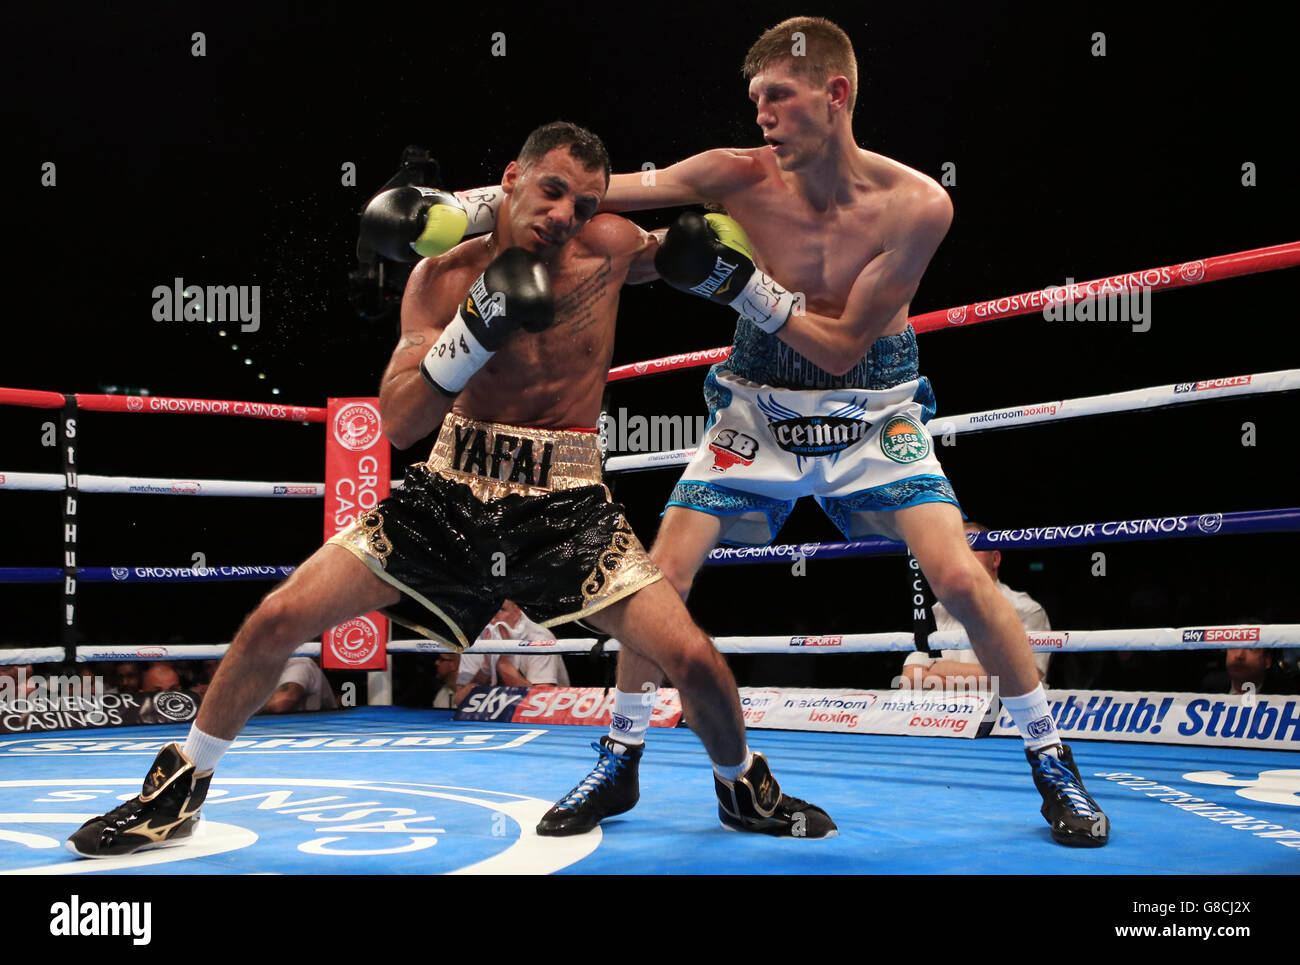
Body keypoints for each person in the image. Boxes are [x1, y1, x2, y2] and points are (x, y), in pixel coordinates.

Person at [66, 121, 832, 859]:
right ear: (511, 180)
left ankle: (741, 787)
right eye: (554, 191)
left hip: (568, 505)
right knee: (280, 614)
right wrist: (474, 330)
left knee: (692, 658)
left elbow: (700, 245)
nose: (566, 216)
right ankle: (179, 785)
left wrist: (726, 258)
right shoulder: (442, 278)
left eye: (586, 203)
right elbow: (399, 423)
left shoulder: (608, 248)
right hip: (450, 492)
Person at [527, 18, 1108, 846]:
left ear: (835, 95)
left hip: (872, 409)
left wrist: (742, 287)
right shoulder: (734, 175)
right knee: (657, 577)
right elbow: (600, 193)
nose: (760, 115)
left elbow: (841, 349)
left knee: (961, 577)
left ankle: (1053, 764)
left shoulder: (917, 206)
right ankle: (619, 758)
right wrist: (466, 209)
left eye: (778, 96)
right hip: (756, 407)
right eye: (754, 99)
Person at [900, 521, 1051, 689]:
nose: (962, 556)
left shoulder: (1025, 610)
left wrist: (941, 669)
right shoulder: (939, 611)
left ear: (995, 559)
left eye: (972, 547)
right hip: (950, 713)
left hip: (1003, 713)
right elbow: (909, 679)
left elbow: (1025, 678)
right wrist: (983, 679)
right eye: (955, 550)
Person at [261, 656, 339, 713]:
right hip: (277, 730)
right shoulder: (255, 670)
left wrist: (249, 707)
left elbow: (281, 703)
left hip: (317, 731)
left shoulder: (300, 662)